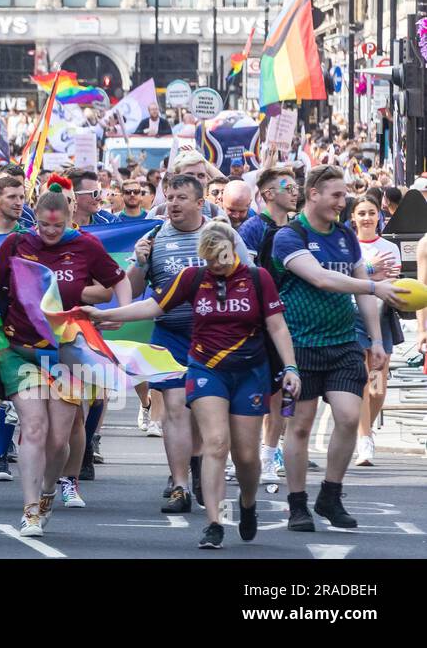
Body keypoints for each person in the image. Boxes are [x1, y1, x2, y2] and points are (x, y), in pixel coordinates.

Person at [80, 223, 302, 550]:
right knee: (215, 442)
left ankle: (248, 502)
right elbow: (153, 306)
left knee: (246, 457)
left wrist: (291, 368)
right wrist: (103, 315)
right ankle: (214, 522)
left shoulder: (258, 279)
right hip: (206, 369)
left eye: (224, 257)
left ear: (235, 250)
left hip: (249, 372)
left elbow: (277, 326)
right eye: (211, 259)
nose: (219, 265)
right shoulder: (194, 278)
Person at [0, 187, 130, 537]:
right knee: (33, 427)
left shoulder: (86, 245)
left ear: (67, 220)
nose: (50, 233)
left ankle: (48, 492)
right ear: (36, 217)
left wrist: (119, 312)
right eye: (45, 227)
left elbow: (118, 279)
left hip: (67, 352)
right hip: (20, 349)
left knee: (59, 439)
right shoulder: (15, 245)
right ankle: (30, 510)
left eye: (57, 228)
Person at [270, 166, 407, 531]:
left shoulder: (345, 235)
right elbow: (320, 277)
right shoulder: (289, 235)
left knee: (349, 417)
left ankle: (330, 495)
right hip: (299, 345)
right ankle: (297, 503)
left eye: (344, 195)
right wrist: (376, 288)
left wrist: (376, 340)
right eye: (335, 195)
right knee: (299, 426)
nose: (342, 202)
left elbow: (361, 287)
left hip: (344, 341)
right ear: (312, 193)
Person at [128, 174, 251, 513]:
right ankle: (180, 483)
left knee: (202, 408)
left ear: (200, 203)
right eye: (169, 197)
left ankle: (199, 469)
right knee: (175, 405)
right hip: (169, 334)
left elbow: (249, 277)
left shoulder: (222, 234)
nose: (173, 203)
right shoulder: (153, 236)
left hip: (214, 337)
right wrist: (139, 262)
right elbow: (134, 289)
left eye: (181, 197)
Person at [349, 195, 402, 467]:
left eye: (372, 212)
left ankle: (366, 427)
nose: (368, 217)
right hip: (353, 319)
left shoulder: (390, 247)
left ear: (378, 217)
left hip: (381, 320)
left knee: (377, 387)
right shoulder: (348, 247)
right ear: (353, 218)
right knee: (361, 379)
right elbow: (349, 281)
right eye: (362, 213)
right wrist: (371, 274)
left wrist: (366, 278)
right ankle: (364, 440)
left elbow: (390, 281)